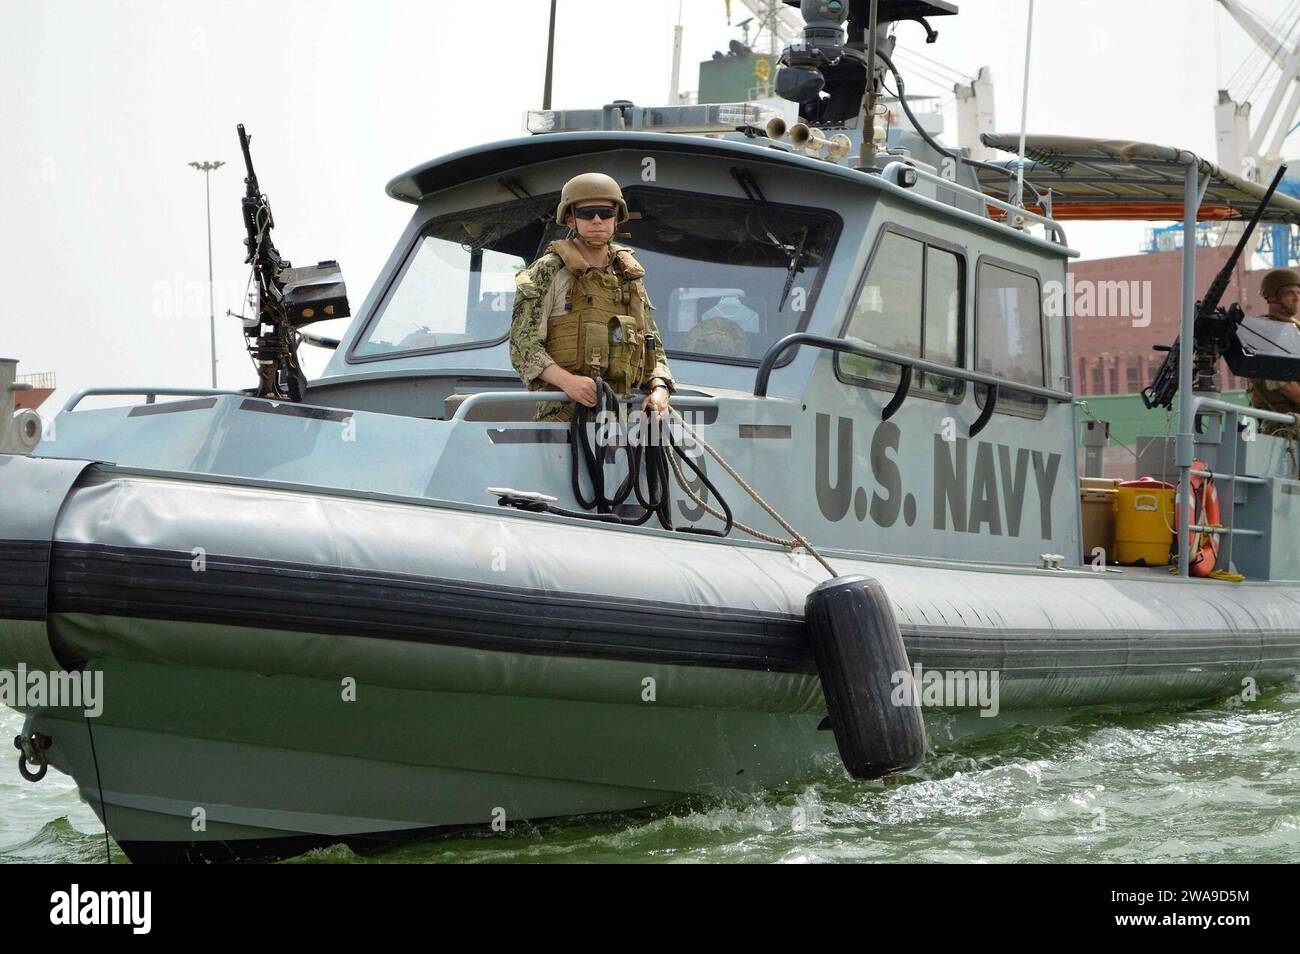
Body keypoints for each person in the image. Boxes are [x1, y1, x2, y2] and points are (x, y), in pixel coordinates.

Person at [509, 173, 674, 423]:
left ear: (616, 218)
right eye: (587, 213)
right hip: (565, 417)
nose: (597, 220)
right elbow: (523, 345)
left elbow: (651, 343)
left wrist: (660, 387)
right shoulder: (549, 271)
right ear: (570, 218)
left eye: (605, 213)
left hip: (627, 419)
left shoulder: (629, 275)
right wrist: (569, 383)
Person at [1246, 267, 1300, 438]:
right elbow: (1285, 386)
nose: (1296, 298)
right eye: (1289, 293)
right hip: (1284, 427)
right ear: (1272, 297)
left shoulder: (1294, 328)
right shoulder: (1267, 332)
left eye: (1298, 292)